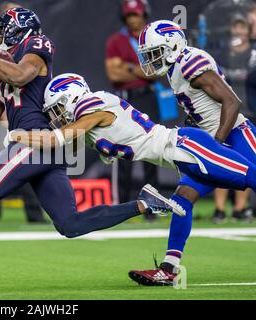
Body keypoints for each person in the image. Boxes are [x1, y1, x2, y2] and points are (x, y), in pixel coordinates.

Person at [0, 8, 178, 293]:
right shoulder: (3, 64)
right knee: (70, 224)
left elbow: (20, 76)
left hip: (35, 141)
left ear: (19, 29)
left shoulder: (36, 45)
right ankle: (142, 204)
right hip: (41, 148)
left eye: (4, 29)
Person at [8, 73, 255, 218]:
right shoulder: (87, 121)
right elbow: (66, 146)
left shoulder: (93, 105)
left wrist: (16, 135)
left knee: (251, 176)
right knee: (183, 204)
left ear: (71, 97)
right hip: (179, 159)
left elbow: (57, 139)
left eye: (58, 108)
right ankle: (169, 268)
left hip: (185, 147)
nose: (57, 116)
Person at [127, 19, 256, 285]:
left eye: (155, 52)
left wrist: (217, 142)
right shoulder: (175, 68)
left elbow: (231, 101)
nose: (152, 60)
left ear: (173, 45)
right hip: (213, 142)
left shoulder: (189, 61)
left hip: (235, 135)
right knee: (182, 200)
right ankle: (169, 269)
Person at [0, 1, 47, 224]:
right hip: (7, 109)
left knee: (29, 164)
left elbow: (24, 74)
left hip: (26, 110)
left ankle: (34, 213)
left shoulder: (33, 43)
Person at [105, 0, 160, 220]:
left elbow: (155, 71)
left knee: (153, 151)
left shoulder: (152, 38)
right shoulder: (116, 41)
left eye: (136, 15)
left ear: (144, 15)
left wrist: (126, 66)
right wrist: (139, 70)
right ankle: (123, 207)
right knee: (122, 152)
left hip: (147, 97)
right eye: (129, 16)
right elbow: (113, 75)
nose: (133, 20)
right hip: (126, 100)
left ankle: (153, 206)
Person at [213, 14, 255, 223]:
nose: (239, 32)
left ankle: (240, 208)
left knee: (246, 161)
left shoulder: (254, 54)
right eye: (235, 27)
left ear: (249, 31)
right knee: (223, 158)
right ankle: (219, 209)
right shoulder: (221, 55)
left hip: (250, 111)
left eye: (242, 28)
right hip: (225, 113)